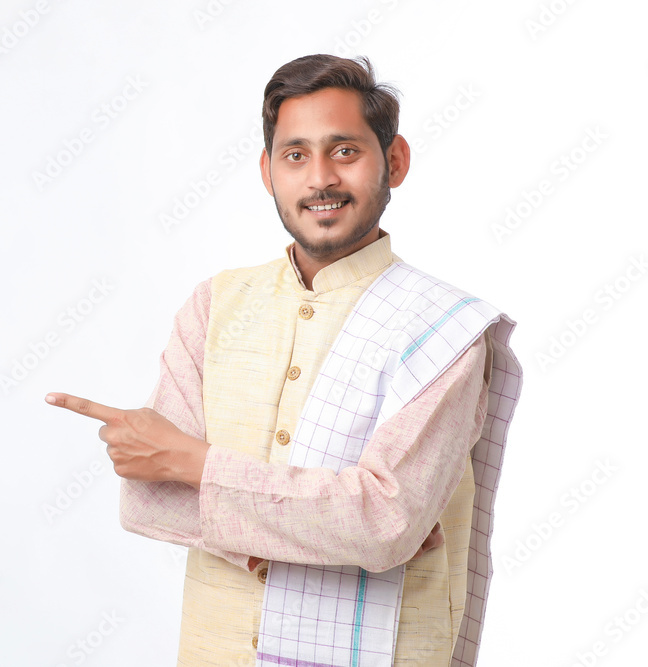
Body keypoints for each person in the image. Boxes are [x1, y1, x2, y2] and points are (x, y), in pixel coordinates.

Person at [46, 54, 521, 667]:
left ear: (394, 160)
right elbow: (150, 500)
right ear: (268, 172)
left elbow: (384, 521)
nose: (319, 178)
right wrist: (336, 531)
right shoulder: (216, 305)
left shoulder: (443, 327)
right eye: (295, 155)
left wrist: (195, 466)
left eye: (344, 151)